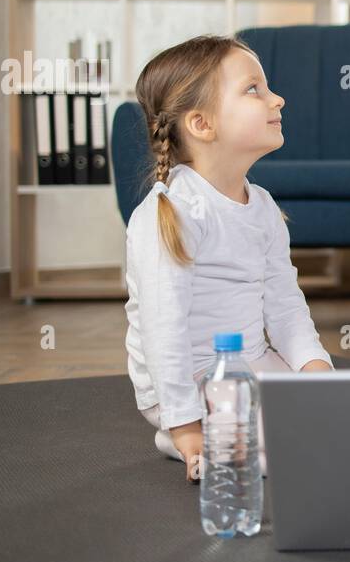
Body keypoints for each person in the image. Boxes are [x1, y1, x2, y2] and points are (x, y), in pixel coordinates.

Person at [123, 34, 332, 483]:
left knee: (341, 426)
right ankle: (183, 435)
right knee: (291, 452)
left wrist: (315, 370)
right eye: (254, 89)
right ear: (202, 124)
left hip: (251, 363)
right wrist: (185, 426)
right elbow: (164, 332)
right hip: (190, 380)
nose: (277, 98)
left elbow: (285, 305)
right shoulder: (170, 214)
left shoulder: (262, 206)